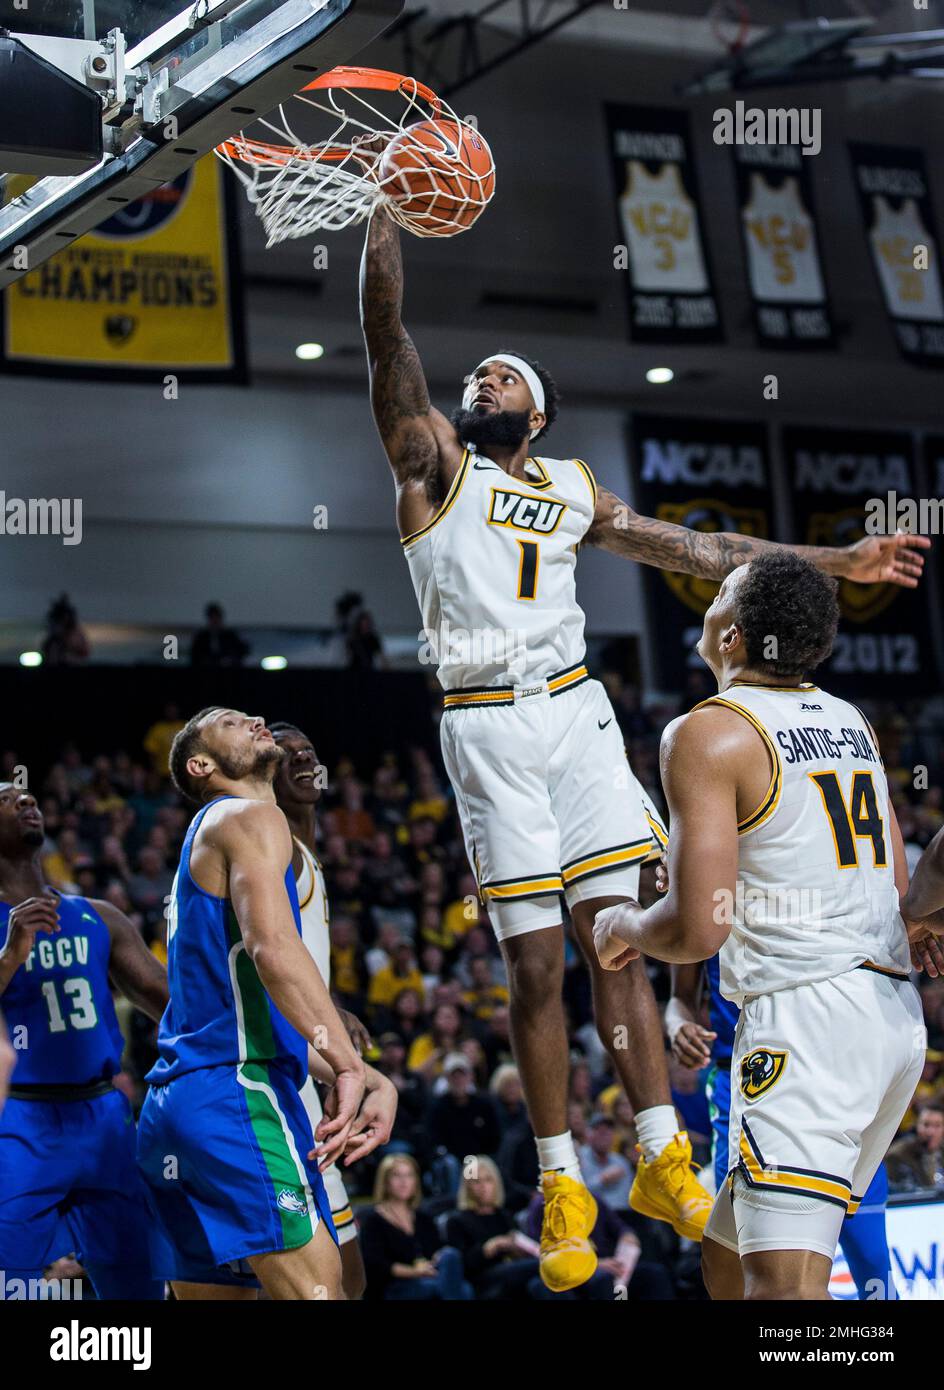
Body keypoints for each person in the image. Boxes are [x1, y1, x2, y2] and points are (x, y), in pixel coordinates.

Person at [358, 202, 929, 1291]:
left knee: (611, 935)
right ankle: (562, 1177)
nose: (479, 382)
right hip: (482, 720)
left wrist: (836, 564)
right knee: (532, 963)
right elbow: (389, 344)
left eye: (502, 376)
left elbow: (707, 548)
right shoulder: (433, 467)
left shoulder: (576, 491)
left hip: (574, 708)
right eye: (472, 375)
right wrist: (385, 227)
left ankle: (664, 1153)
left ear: (542, 412)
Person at [593, 552, 928, 1301]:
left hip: (809, 1025)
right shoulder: (851, 723)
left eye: (718, 597)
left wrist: (620, 924)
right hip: (889, 1018)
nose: (705, 608)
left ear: (734, 636)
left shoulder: (709, 732)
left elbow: (696, 929)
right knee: (726, 1257)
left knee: (784, 1295)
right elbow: (897, 885)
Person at [136, 708, 380, 1301]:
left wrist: (372, 1078)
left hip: (175, 1109)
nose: (252, 717)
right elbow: (272, 950)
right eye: (226, 721)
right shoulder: (248, 816)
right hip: (235, 1098)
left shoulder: (210, 840)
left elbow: (243, 1010)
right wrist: (349, 1067)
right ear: (202, 765)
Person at [0, 784, 168, 1300]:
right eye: (7, 799)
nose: (26, 801)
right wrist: (10, 956)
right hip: (19, 1122)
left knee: (138, 1285)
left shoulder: (98, 914)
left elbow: (171, 1004)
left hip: (103, 1119)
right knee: (13, 1286)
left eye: (29, 797)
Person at [669, 955, 900, 1299]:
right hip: (743, 1083)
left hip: (826, 1072)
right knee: (730, 1266)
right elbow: (680, 997)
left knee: (870, 1262)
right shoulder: (707, 908)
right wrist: (676, 1025)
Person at [270, 720, 398, 1298]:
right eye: (285, 754)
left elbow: (300, 964)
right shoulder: (269, 849)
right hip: (275, 1078)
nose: (302, 760)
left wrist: (333, 1009)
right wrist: (342, 1062)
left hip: (304, 1070)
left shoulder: (305, 852)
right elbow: (266, 967)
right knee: (325, 1279)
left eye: (309, 752)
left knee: (346, 1275)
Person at [360, 1154, 472, 1300]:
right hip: (393, 1287)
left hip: (427, 1278)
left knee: (451, 1257)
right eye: (397, 1176)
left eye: (409, 1175)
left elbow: (435, 1250)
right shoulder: (373, 1220)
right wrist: (415, 1272)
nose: (404, 1182)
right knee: (454, 1289)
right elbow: (376, 1265)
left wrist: (435, 1259)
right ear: (385, 1181)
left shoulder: (423, 1218)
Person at [446, 1155, 540, 1299]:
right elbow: (462, 1265)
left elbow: (517, 1253)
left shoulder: (503, 1215)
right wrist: (491, 1246)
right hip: (482, 1278)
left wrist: (516, 1248)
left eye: (488, 1180)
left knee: (539, 1285)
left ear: (496, 1183)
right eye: (476, 1181)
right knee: (542, 1265)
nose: (483, 1186)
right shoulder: (457, 1220)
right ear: (467, 1186)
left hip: (511, 1271)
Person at [886, 1102, 944, 1191]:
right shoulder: (898, 1154)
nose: (930, 1132)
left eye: (937, 1126)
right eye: (926, 1125)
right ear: (917, 1125)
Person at [189, 603, 249, 668]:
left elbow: (241, 651)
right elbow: (195, 655)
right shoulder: (201, 637)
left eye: (216, 618)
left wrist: (229, 660)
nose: (215, 621)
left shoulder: (230, 636)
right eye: (212, 618)